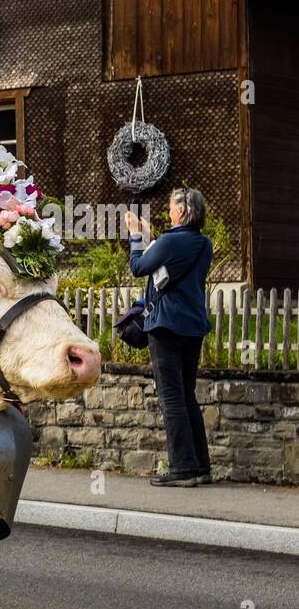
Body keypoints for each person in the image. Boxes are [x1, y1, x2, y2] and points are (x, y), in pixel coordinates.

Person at [125, 187, 213, 488]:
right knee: (187, 395)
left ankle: (183, 468)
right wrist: (150, 236)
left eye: (172, 207)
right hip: (193, 326)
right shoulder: (204, 244)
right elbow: (169, 262)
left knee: (171, 397)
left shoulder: (170, 242)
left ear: (183, 211)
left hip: (166, 326)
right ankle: (201, 467)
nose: (169, 211)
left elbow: (138, 267)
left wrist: (135, 236)